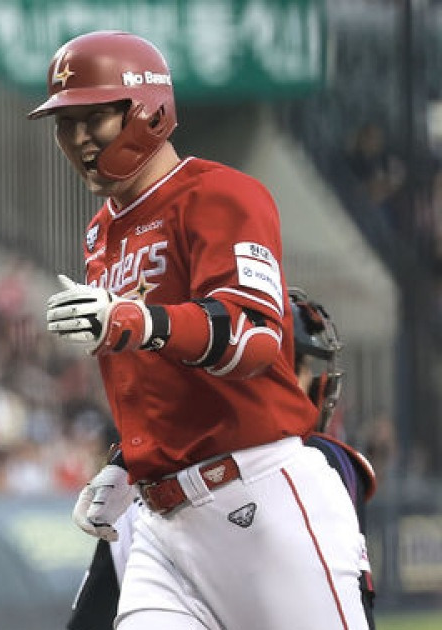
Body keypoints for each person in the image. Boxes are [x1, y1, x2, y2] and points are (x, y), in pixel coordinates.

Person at [33, 30, 371, 629]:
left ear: (146, 109)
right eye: (65, 122)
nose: (78, 138)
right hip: (162, 525)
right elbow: (152, 376)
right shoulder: (99, 234)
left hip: (260, 500)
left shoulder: (219, 192)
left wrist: (130, 319)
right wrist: (125, 460)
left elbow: (254, 336)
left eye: (94, 117)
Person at [66, 287, 378, 630]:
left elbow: (89, 619)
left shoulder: (140, 481)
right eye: (302, 366)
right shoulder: (324, 462)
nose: (312, 380)